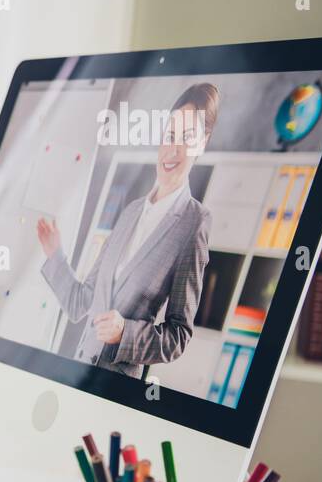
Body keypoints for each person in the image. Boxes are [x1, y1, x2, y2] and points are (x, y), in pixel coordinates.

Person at [35, 83, 218, 377]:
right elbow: (81, 302)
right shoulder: (131, 212)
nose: (173, 149)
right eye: (170, 135)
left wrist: (125, 333)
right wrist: (55, 255)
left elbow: (178, 337)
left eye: (187, 139)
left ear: (202, 143)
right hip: (76, 374)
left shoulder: (193, 222)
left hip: (116, 388)